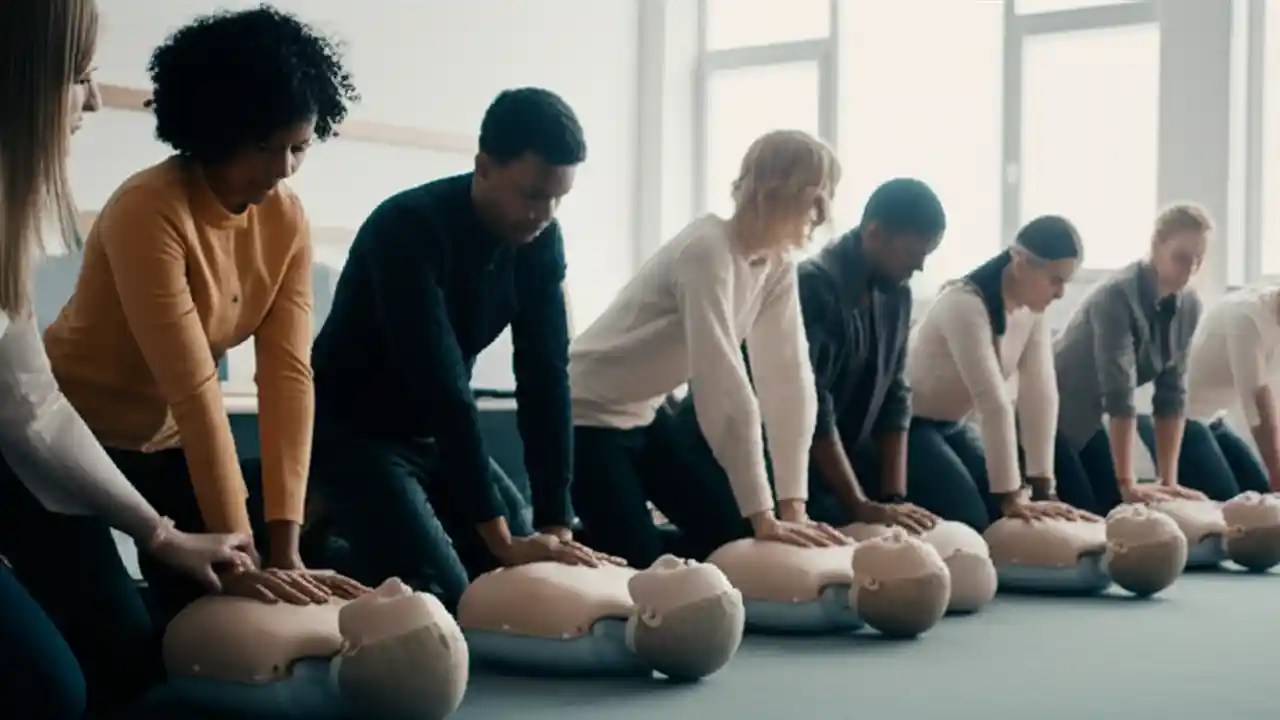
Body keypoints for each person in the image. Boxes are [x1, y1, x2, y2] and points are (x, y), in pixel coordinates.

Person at [43, 5, 368, 629]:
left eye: (299, 147)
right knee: (123, 647)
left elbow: (288, 378)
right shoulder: (148, 208)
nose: (284, 169)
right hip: (76, 443)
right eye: (266, 147)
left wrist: (285, 550)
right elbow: (194, 389)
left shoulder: (287, 218)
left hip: (167, 447)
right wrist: (245, 558)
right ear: (217, 132)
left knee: (230, 598)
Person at [0, 1, 255, 716]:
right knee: (48, 689)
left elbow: (31, 407)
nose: (92, 99)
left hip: (57, 454)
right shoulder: (147, 207)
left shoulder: (8, 221)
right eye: (78, 75)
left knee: (109, 664)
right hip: (52, 462)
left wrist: (163, 536)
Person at [304, 87, 622, 612]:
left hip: (433, 437)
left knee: (522, 574)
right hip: (353, 432)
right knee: (450, 598)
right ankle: (321, 538)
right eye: (532, 195)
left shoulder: (541, 240)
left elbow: (546, 377)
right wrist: (500, 541)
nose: (544, 213)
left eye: (558, 197)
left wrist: (554, 525)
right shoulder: (408, 227)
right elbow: (442, 383)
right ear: (484, 167)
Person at [570, 129, 850, 569]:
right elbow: (722, 382)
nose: (822, 214)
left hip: (645, 412)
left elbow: (788, 378)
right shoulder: (707, 250)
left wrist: (792, 506)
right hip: (582, 416)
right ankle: (574, 536)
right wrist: (763, 515)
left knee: (731, 534)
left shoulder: (775, 263)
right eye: (817, 197)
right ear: (779, 192)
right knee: (642, 564)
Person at [673, 178, 946, 534]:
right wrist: (858, 505)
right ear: (875, 234)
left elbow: (895, 394)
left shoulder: (897, 294)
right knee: (765, 541)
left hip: (814, 461)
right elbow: (812, 405)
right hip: (739, 451)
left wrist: (892, 497)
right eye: (912, 254)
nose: (920, 266)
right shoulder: (813, 285)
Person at [905, 216, 1099, 531]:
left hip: (954, 426)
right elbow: (992, 401)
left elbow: (1040, 393)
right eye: (1055, 280)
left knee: (1003, 511)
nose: (1061, 293)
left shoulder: (1032, 310)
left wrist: (1042, 486)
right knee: (976, 519)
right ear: (1020, 263)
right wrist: (1010, 496)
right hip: (909, 427)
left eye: (1066, 282)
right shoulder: (963, 304)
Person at [1054, 204, 1212, 514]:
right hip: (1049, 414)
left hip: (1088, 419)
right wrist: (1127, 483)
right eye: (1181, 257)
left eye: (1198, 260)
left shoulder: (1190, 305)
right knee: (1094, 512)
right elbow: (1119, 393)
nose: (1189, 270)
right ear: (1155, 246)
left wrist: (1168, 482)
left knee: (1115, 508)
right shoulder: (1116, 295)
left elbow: (1172, 396)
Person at [1157, 285, 1279, 498]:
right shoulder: (1247, 318)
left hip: (1212, 419)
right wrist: (1277, 473)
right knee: (1230, 503)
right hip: (1173, 419)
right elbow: (1257, 406)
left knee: (1260, 495)